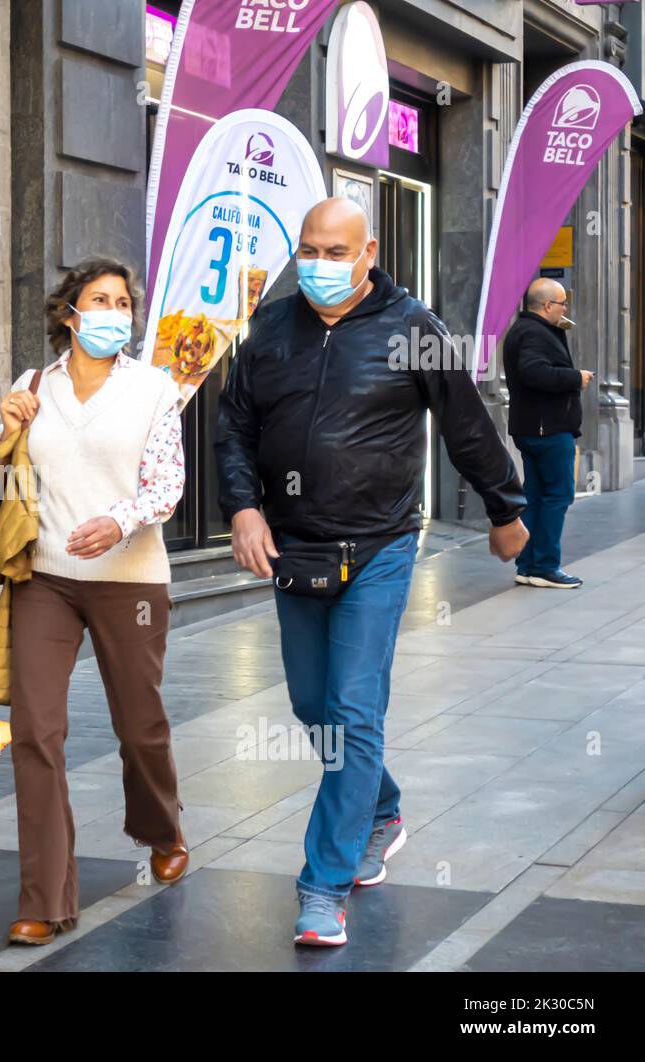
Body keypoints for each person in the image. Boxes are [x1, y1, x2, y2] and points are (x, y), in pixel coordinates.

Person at [215, 198, 529, 947]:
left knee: (354, 713)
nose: (319, 264)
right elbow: (235, 426)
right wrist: (242, 508)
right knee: (313, 709)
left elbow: (467, 425)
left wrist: (506, 508)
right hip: (293, 547)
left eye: (335, 251)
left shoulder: (413, 329)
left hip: (380, 549)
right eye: (309, 249)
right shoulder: (271, 327)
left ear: (369, 251)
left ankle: (323, 887)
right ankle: (381, 807)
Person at [0, 257, 188, 946]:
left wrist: (120, 519)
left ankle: (162, 828)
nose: (115, 312)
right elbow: (5, 480)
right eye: (99, 300)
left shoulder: (154, 389)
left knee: (140, 727)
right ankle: (43, 898)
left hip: (130, 578)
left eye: (123, 302)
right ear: (69, 313)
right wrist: (5, 428)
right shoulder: (32, 385)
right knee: (35, 732)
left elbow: (168, 486)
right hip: (44, 578)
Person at [502, 278, 593, 589]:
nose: (565, 308)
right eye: (562, 303)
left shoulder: (527, 330)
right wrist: (575, 378)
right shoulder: (534, 333)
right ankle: (544, 566)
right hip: (548, 429)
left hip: (534, 428)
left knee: (537, 497)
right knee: (558, 496)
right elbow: (533, 372)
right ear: (547, 305)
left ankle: (527, 566)